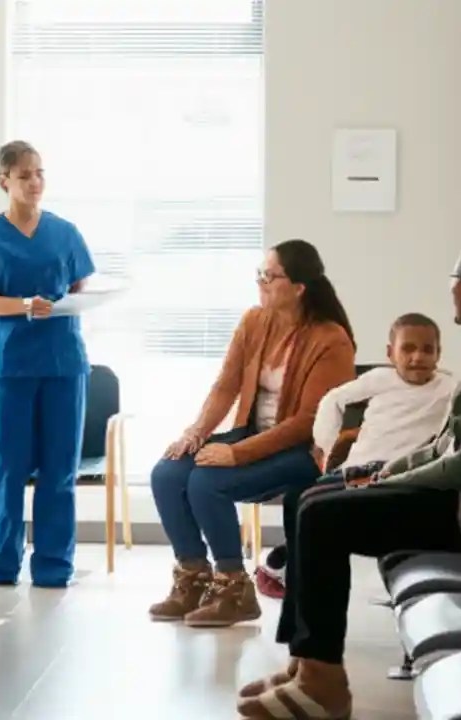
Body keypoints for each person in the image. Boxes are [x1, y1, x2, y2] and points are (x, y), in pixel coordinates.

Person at [236, 220, 461, 719]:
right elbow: (446, 445)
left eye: (456, 279)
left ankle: (322, 682)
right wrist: (375, 472)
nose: (452, 289)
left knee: (325, 517)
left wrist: (389, 479)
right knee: (318, 495)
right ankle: (307, 663)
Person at [148, 239, 356, 629]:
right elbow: (225, 386)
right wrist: (196, 434)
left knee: (206, 482)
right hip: (252, 436)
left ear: (298, 288)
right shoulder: (254, 321)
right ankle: (193, 579)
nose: (260, 281)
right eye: (260, 273)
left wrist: (237, 454)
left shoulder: (332, 340)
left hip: (302, 451)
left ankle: (234, 588)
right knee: (168, 472)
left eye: (269, 275)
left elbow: (308, 421)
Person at [0, 140, 96, 589]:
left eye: (40, 173)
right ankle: (4, 564)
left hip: (63, 363)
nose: (35, 182)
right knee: (9, 469)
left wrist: (60, 305)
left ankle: (54, 565)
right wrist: (22, 305)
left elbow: (78, 291)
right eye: (25, 175)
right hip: (12, 365)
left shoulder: (66, 233)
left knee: (59, 470)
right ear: (3, 181)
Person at [254, 313, 457, 599]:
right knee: (308, 498)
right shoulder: (380, 379)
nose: (417, 357)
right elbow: (333, 399)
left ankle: (284, 565)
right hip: (358, 468)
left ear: (438, 354)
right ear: (390, 353)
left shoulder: (449, 388)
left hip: (394, 473)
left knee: (325, 507)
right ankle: (286, 562)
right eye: (407, 349)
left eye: (427, 349)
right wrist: (324, 445)